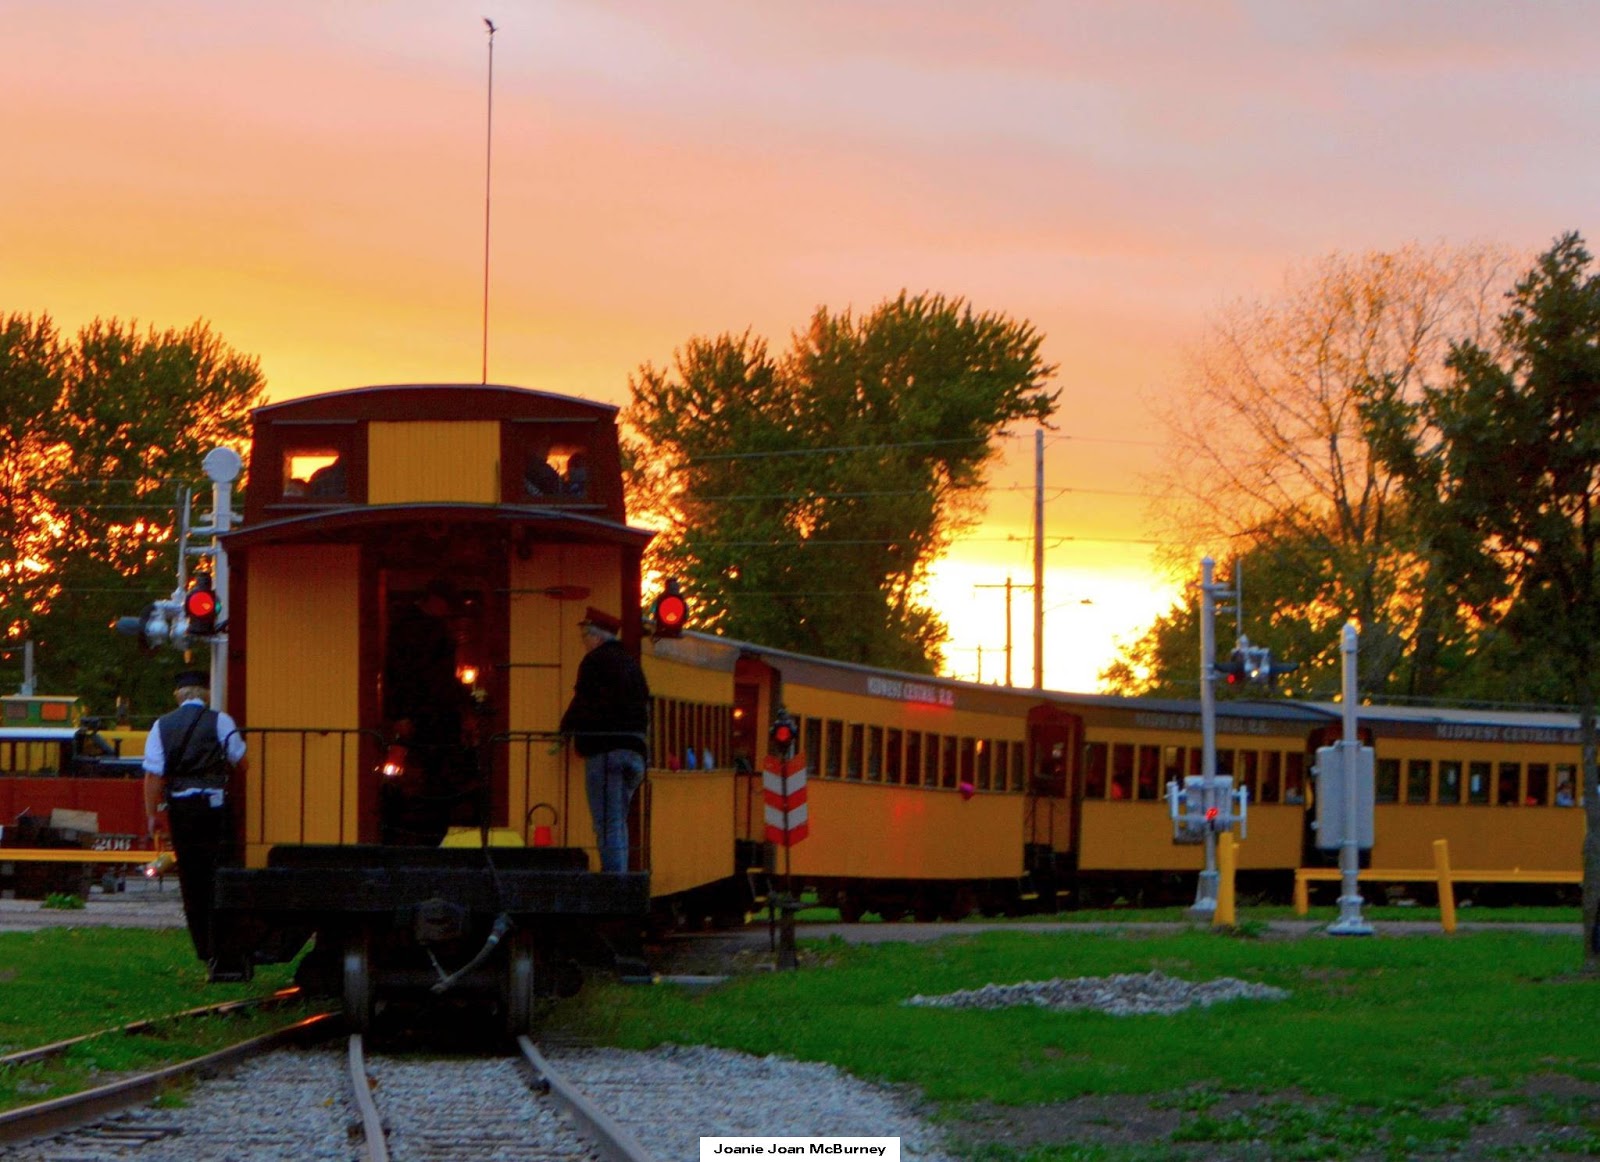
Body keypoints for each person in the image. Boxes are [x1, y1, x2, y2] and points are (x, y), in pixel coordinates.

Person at [143, 669, 248, 975]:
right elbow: (241, 760)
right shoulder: (221, 721)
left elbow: (153, 776)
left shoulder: (161, 725)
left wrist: (152, 816)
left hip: (182, 810)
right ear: (205, 694)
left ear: (178, 695)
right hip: (215, 807)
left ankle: (204, 948)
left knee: (192, 879)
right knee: (220, 875)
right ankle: (225, 945)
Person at [381, 579, 473, 843]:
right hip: (426, 714)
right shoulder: (413, 629)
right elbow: (400, 673)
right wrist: (401, 713)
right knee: (424, 775)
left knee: (433, 774)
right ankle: (423, 831)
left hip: (432, 713)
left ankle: (427, 829)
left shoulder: (416, 627)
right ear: (435, 601)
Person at [560, 607, 650, 872]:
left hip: (606, 751)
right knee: (618, 820)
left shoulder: (594, 662)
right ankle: (619, 874)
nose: (583, 642)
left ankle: (615, 881)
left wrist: (566, 729)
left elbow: (583, 701)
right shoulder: (632, 664)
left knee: (606, 822)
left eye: (585, 636)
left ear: (596, 637)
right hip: (635, 753)